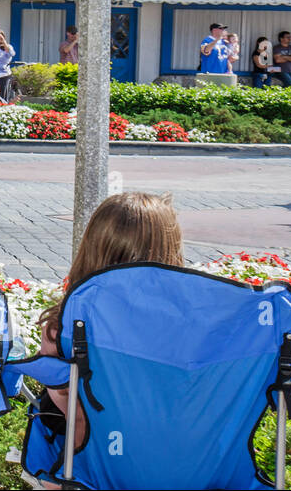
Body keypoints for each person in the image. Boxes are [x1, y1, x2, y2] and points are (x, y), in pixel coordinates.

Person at [36, 192, 185, 454]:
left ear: (90, 250)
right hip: (183, 464)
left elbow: (75, 417)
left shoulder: (61, 332)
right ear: (170, 253)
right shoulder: (194, 329)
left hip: (95, 467)